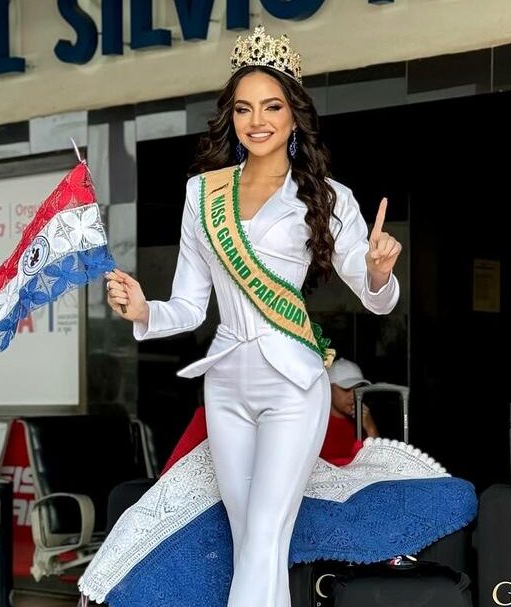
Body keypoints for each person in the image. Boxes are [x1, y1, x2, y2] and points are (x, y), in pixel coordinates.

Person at [104, 26, 402, 607]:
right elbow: (189, 304)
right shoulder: (201, 195)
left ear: (295, 115)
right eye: (243, 108)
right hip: (225, 383)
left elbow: (374, 296)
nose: (256, 119)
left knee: (264, 536)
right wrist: (143, 309)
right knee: (250, 542)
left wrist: (379, 270)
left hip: (293, 383)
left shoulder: (327, 196)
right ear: (231, 117)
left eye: (272, 106)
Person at [321, 358, 379, 463]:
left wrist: (371, 429)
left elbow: (379, 463)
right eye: (346, 389)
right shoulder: (317, 423)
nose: (353, 395)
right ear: (328, 387)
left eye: (358, 389)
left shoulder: (364, 421)